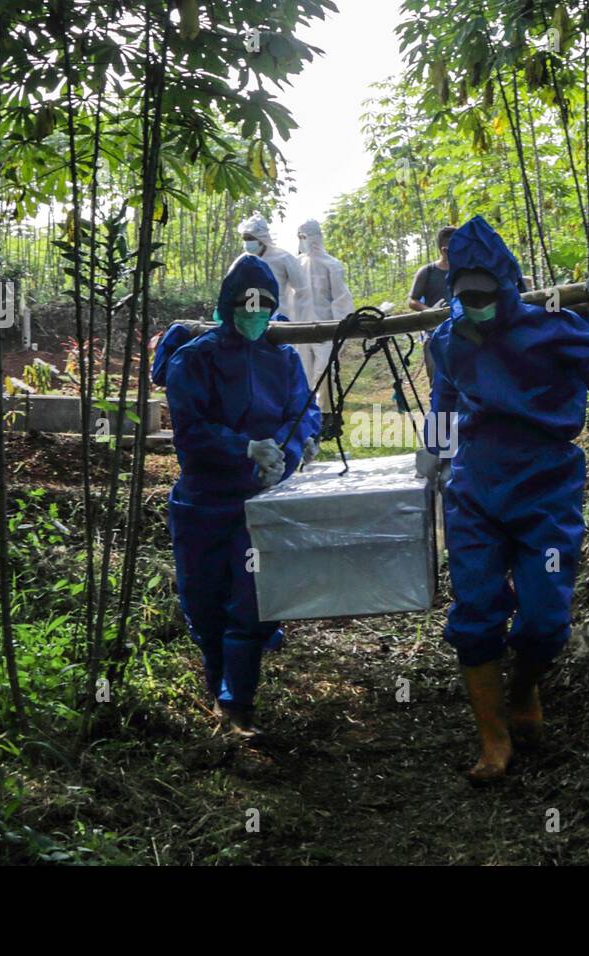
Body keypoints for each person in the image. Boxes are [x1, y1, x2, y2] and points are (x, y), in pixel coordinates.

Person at [417, 215, 589, 783]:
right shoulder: (450, 338)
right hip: (475, 487)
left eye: (484, 294)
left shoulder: (555, 328)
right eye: (464, 296)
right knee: (475, 613)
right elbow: (444, 398)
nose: (476, 305)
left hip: (546, 482)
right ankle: (493, 741)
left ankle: (524, 687)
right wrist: (434, 457)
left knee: (545, 616)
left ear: (506, 285)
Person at [163, 254, 321, 737]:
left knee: (250, 603)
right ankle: (219, 687)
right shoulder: (195, 357)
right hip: (204, 500)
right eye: (246, 303)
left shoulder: (284, 356)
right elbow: (189, 430)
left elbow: (304, 411)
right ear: (228, 304)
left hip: (262, 500)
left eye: (264, 304)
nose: (255, 312)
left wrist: (290, 450)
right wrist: (243, 448)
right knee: (206, 602)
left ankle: (238, 704)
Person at [234, 213, 316, 385]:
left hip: (279, 320)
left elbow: (302, 290)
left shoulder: (283, 258)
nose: (247, 242)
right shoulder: (241, 261)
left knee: (277, 366)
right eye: (244, 238)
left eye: (250, 238)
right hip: (247, 322)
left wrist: (298, 321)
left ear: (260, 238)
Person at [297, 218, 354, 417]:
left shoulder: (331, 265)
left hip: (327, 332)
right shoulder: (298, 265)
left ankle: (327, 417)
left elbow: (341, 300)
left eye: (305, 237)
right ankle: (305, 419)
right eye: (299, 237)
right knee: (303, 374)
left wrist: (339, 332)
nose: (302, 241)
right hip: (301, 330)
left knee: (325, 375)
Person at [408, 226, 457, 383]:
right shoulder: (427, 272)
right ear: (444, 250)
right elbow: (412, 300)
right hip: (434, 336)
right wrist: (430, 311)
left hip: (462, 334)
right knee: (437, 382)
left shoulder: (464, 270)